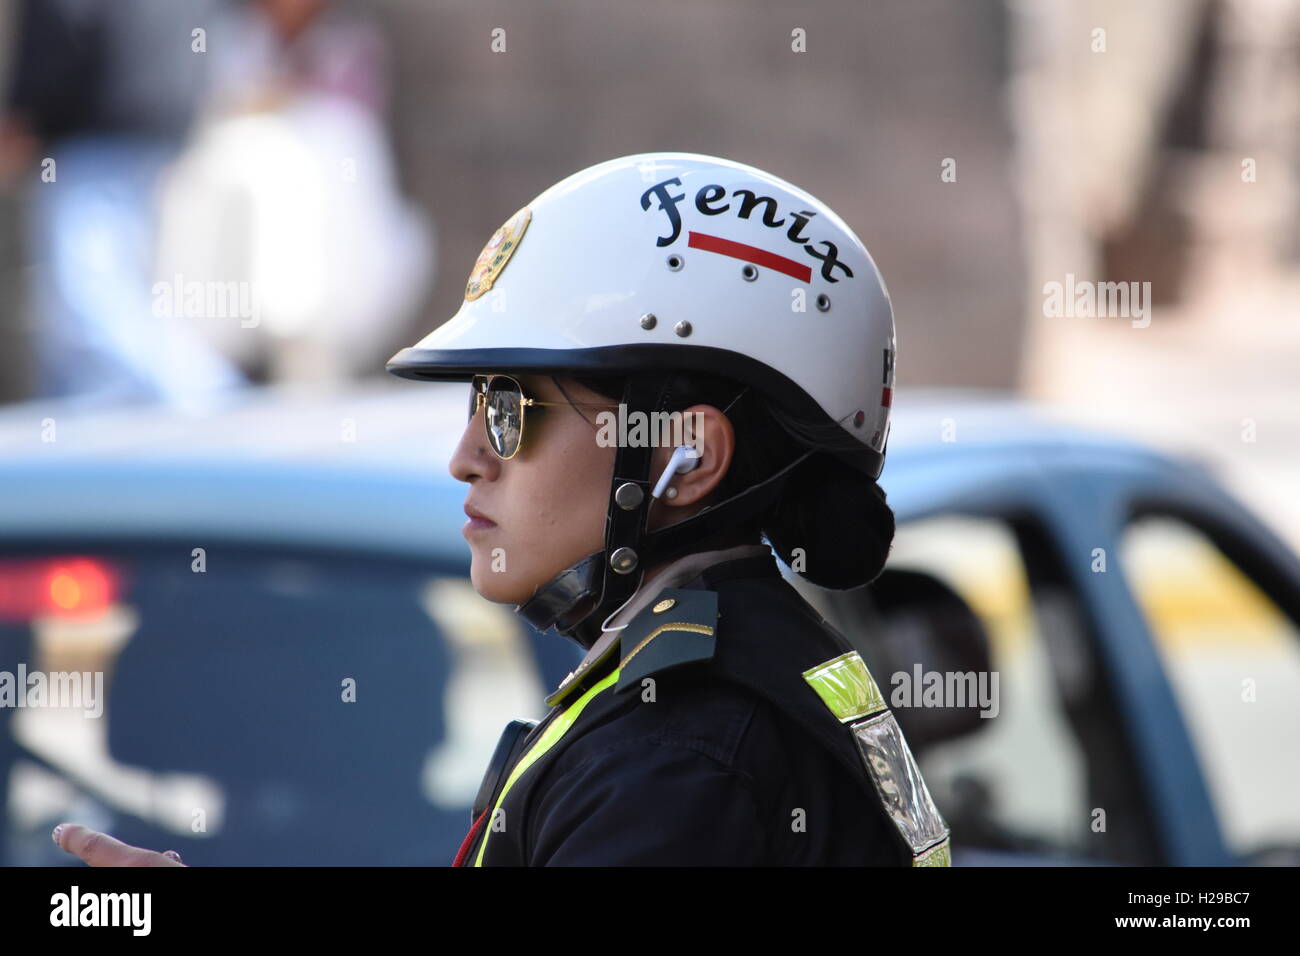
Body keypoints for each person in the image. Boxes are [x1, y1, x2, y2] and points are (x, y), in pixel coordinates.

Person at [52, 152, 950, 867]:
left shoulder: (677, 760)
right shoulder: (715, 687)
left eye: (513, 411)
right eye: (477, 404)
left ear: (689, 455)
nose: (465, 457)